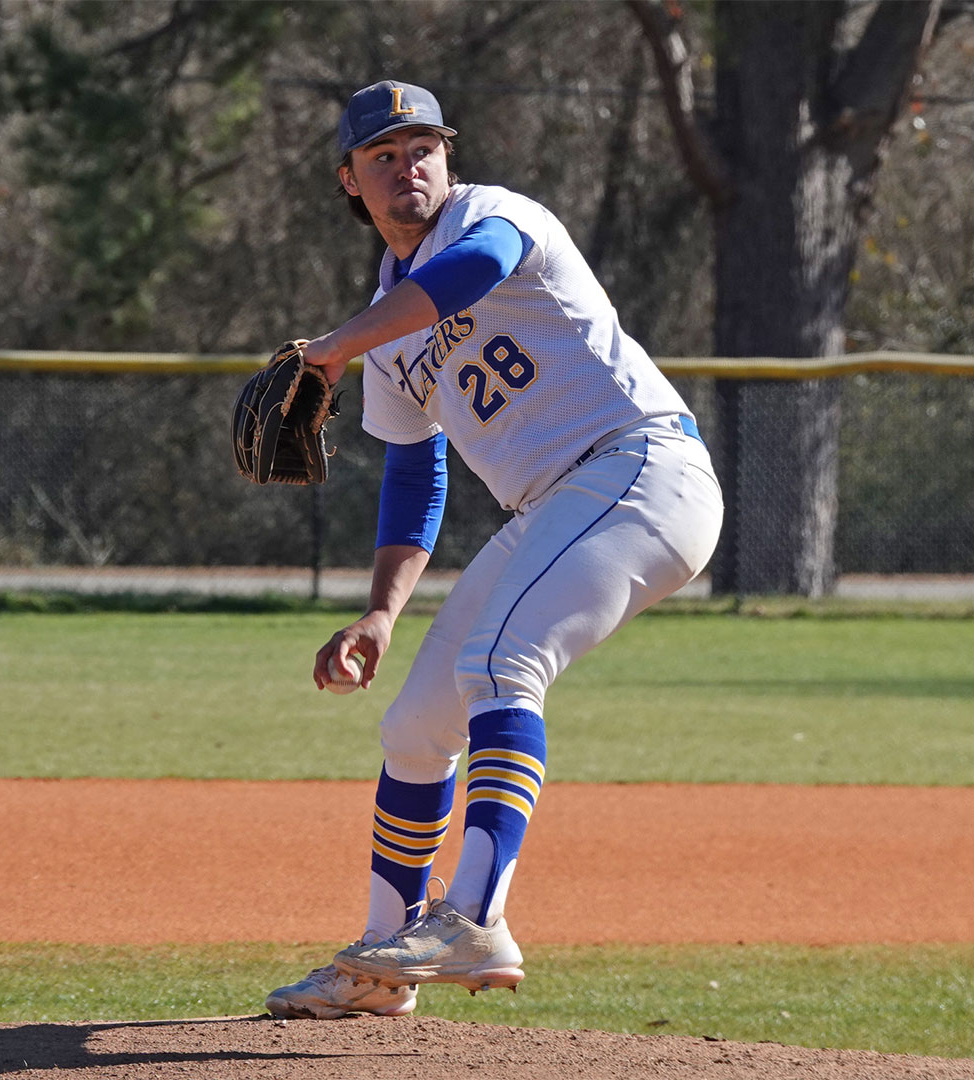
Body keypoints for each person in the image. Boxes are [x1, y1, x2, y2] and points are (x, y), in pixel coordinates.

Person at [263, 79, 722, 1020]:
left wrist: (336, 348)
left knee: (505, 662)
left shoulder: (494, 216)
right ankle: (381, 966)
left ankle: (474, 912)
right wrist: (382, 611)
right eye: (383, 156)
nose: (408, 167)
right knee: (415, 727)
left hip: (640, 467)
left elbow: (470, 271)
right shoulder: (388, 327)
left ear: (447, 156)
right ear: (349, 182)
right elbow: (414, 473)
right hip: (556, 505)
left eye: (422, 147)